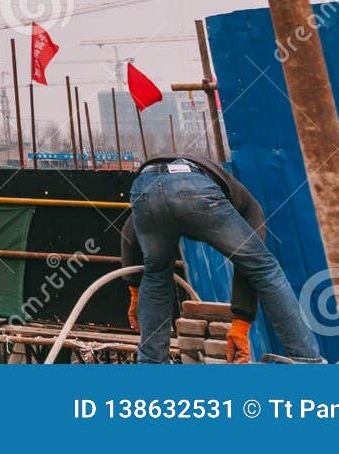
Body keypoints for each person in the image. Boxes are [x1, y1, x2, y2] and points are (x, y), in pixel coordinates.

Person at [121, 152, 320, 363]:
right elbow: (251, 269)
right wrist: (241, 324)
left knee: (157, 273)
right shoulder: (249, 208)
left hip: (145, 184)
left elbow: (129, 235)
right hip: (191, 180)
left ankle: (150, 364)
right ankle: (306, 360)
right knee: (265, 269)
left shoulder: (232, 197)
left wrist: (135, 293)